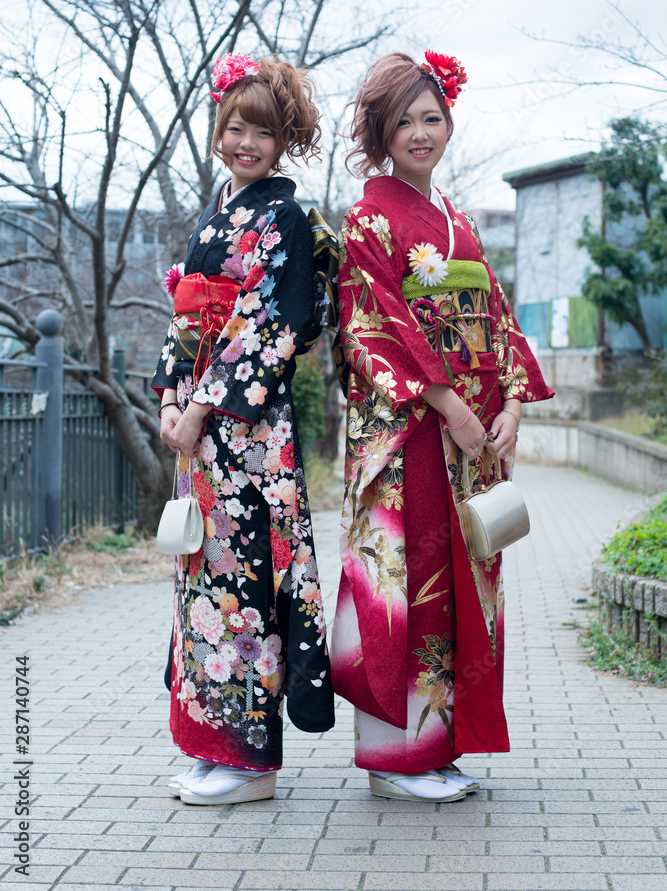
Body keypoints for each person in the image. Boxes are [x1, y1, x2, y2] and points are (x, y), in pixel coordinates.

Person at [330, 50, 553, 802]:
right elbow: (371, 327)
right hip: (412, 435)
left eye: (431, 119)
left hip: (471, 438)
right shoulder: (368, 216)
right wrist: (449, 405)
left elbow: (497, 316)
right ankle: (398, 760)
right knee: (411, 587)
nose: (420, 134)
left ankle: (439, 747)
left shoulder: (456, 219)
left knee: (461, 588)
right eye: (403, 122)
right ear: (380, 132)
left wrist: (512, 404)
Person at [152, 53, 337, 806]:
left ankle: (251, 761)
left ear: (283, 137)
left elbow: (276, 325)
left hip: (247, 432)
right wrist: (167, 392)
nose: (244, 143)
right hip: (202, 428)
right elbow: (187, 316)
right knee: (203, 572)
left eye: (261, 131)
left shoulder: (283, 217)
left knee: (248, 579)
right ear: (216, 133)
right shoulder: (216, 214)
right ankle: (212, 743)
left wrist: (201, 405)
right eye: (233, 128)